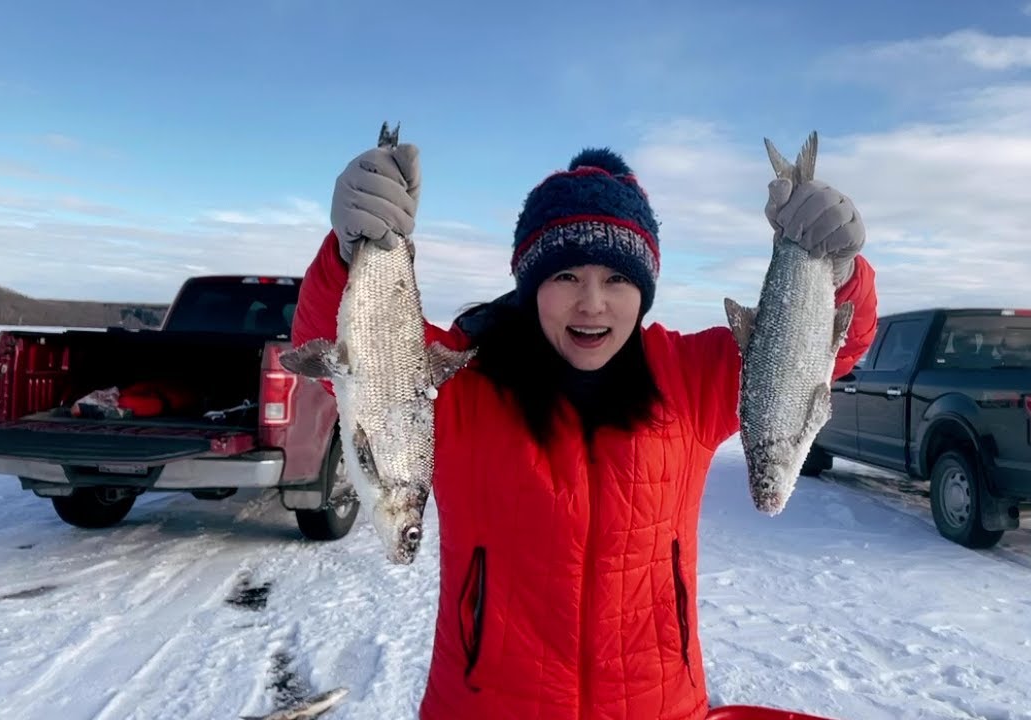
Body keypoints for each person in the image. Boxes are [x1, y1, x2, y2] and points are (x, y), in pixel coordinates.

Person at [291, 138, 878, 720]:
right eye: (566, 276)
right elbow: (357, 359)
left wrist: (840, 269)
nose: (592, 303)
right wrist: (350, 253)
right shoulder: (465, 377)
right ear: (531, 284)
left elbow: (821, 354)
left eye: (617, 280)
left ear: (643, 291)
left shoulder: (690, 379)